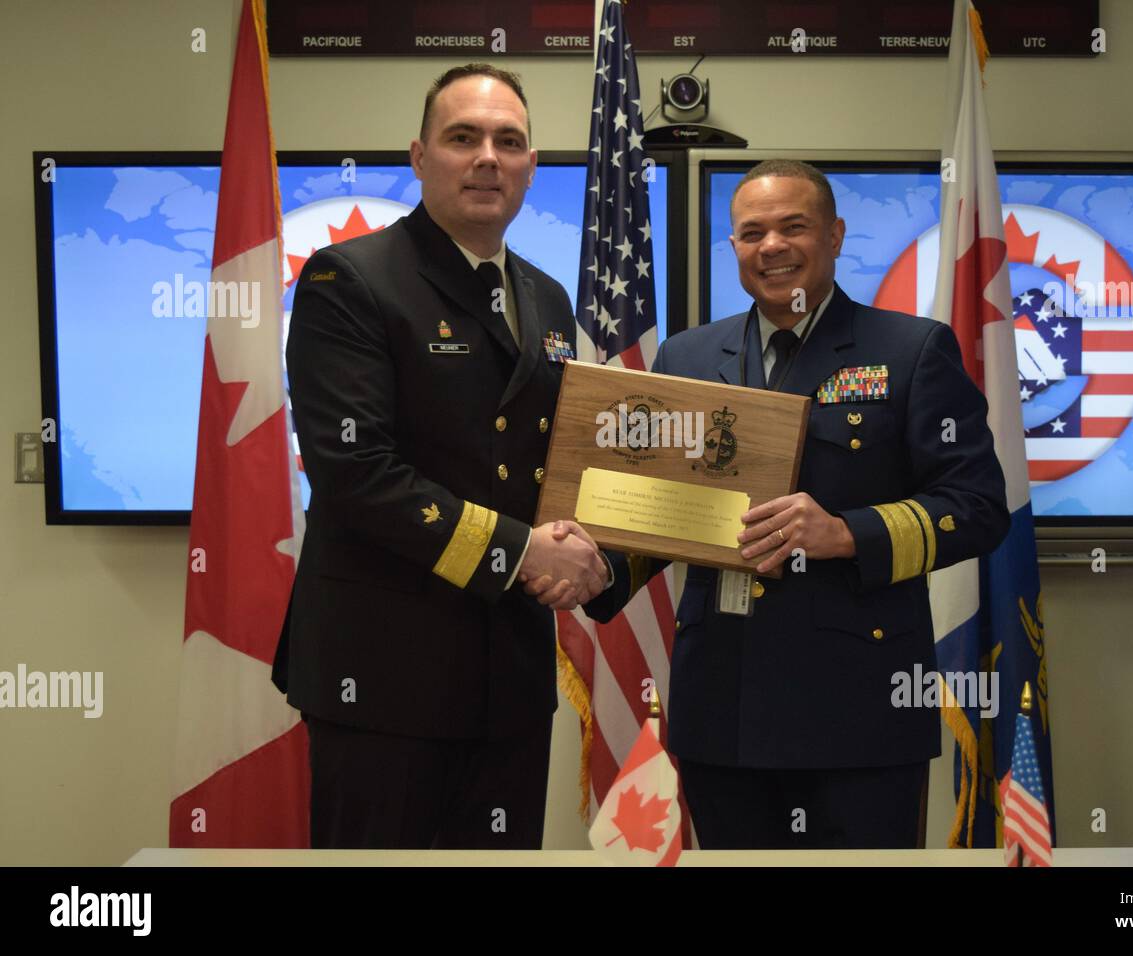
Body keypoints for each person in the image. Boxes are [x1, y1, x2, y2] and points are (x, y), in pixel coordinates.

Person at [542, 160, 1010, 849]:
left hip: (859, 712)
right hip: (723, 704)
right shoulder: (688, 355)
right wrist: (596, 567)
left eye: (794, 226)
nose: (772, 246)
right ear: (733, 247)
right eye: (752, 232)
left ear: (835, 235)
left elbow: (976, 507)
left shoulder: (911, 350)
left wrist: (844, 533)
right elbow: (663, 510)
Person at [271, 64, 607, 850]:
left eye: (509, 141)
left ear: (531, 166)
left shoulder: (548, 298)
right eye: (464, 138)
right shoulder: (349, 279)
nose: (488, 157)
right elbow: (357, 473)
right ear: (420, 158)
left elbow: (559, 464)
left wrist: (608, 552)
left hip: (510, 683)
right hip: (384, 679)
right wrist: (524, 552)